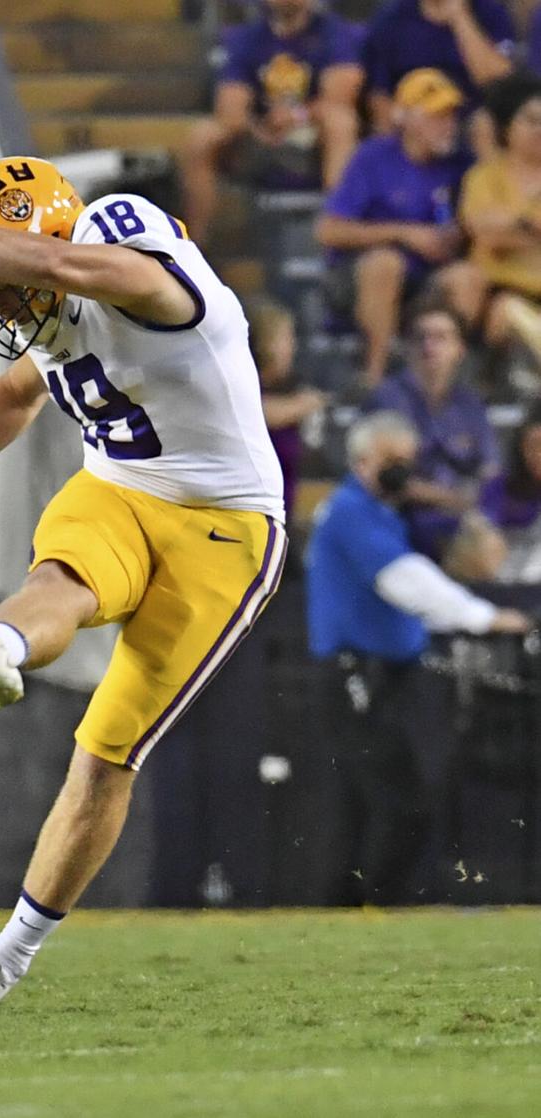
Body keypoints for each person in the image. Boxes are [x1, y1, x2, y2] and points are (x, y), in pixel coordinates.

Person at [0, 157, 286, 1015]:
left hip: (226, 530)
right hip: (119, 489)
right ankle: (2, 646)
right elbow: (16, 390)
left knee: (104, 754)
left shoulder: (135, 271)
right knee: (63, 577)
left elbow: (55, 268)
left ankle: (7, 957)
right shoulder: (51, 312)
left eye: (0, 276)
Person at [305, 410, 530, 904]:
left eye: (408, 461)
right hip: (356, 678)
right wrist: (484, 617)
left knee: (365, 806)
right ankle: (377, 907)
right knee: (399, 803)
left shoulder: (379, 513)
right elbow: (406, 583)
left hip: (382, 678)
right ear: (362, 461)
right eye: (392, 461)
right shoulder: (351, 512)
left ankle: (348, 911)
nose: (403, 470)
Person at [316, 68, 481, 387]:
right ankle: (375, 377)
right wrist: (405, 234)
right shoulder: (373, 157)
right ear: (406, 119)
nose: (447, 125)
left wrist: (458, 235)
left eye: (450, 116)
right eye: (436, 116)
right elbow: (329, 229)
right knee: (386, 265)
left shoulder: (460, 163)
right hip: (361, 275)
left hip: (429, 276)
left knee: (467, 279)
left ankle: (449, 382)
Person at [180, 0, 363, 249]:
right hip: (259, 136)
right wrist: (260, 128)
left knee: (341, 121)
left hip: (313, 139)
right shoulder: (248, 37)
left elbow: (341, 97)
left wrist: (297, 116)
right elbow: (230, 106)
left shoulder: (335, 34)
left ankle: (336, 231)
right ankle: (193, 246)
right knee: (203, 135)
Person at [364, 301, 500, 560]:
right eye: (420, 337)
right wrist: (450, 499)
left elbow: (489, 467)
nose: (429, 347)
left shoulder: (470, 404)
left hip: (461, 522)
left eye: (440, 338)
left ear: (459, 349)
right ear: (407, 347)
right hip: (401, 522)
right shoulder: (387, 399)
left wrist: (475, 502)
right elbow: (383, 477)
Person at [459, 74, 541, 366]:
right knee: (505, 310)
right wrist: (532, 225)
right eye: (531, 121)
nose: (539, 130)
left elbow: (499, 231)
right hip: (499, 290)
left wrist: (511, 224)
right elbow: (486, 236)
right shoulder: (483, 177)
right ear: (507, 127)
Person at [362, 0, 515, 135]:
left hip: (472, 125)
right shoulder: (392, 18)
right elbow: (380, 95)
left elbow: (500, 83)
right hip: (413, 124)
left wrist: (460, 17)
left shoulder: (491, 12)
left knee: (484, 125)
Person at [247, 298, 328, 521]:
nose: (292, 346)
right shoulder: (243, 384)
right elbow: (260, 413)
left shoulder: (293, 385)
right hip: (248, 512)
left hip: (282, 513)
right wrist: (304, 404)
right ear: (264, 343)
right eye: (285, 337)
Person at [478, 401, 541, 582]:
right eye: (533, 445)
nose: (538, 454)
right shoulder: (499, 486)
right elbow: (484, 529)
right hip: (506, 571)